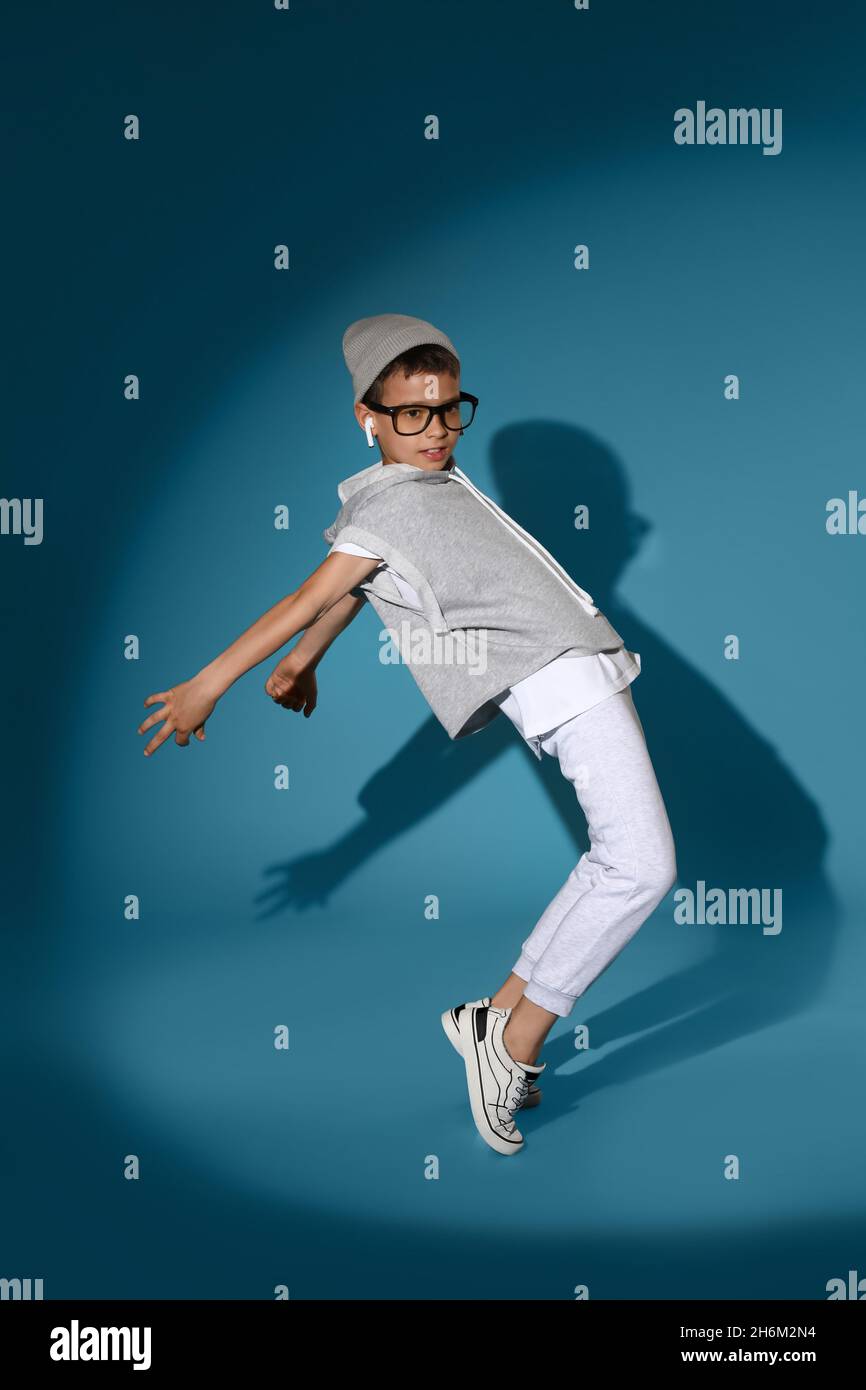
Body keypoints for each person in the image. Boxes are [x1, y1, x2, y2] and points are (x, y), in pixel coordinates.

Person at [137, 313, 677, 1157]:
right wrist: (211, 684)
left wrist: (307, 663)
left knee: (616, 859)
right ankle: (513, 1042)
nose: (436, 431)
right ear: (369, 418)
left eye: (449, 409)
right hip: (558, 675)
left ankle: (494, 1017)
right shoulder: (389, 502)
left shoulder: (425, 487)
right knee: (643, 867)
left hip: (583, 664)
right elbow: (310, 595)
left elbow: (355, 595)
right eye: (412, 415)